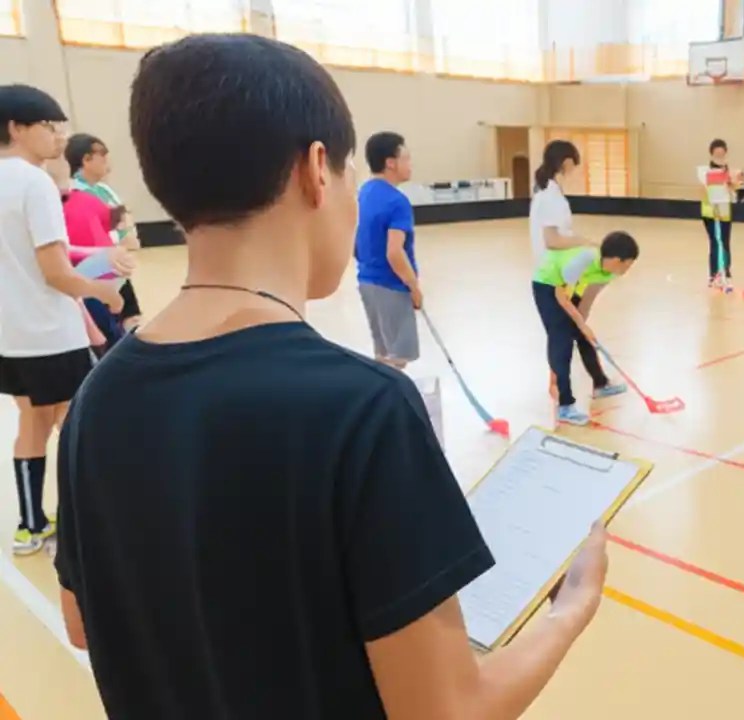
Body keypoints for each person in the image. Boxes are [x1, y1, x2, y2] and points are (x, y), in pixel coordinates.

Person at [54, 34, 607, 719]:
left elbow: (83, 623)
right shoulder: (364, 409)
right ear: (317, 168)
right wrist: (572, 609)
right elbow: (447, 713)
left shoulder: (98, 397)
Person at [0, 85, 123, 556]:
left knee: (31, 422)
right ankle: (82, 524)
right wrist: (102, 290)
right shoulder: (36, 185)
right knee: (76, 428)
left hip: (12, 336)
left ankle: (31, 525)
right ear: (15, 128)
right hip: (52, 334)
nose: (57, 137)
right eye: (48, 127)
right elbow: (55, 272)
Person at [532, 232, 636, 426]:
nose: (627, 270)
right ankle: (564, 405)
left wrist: (583, 325)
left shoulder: (610, 272)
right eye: (627, 265)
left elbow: (586, 300)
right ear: (615, 259)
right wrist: (579, 324)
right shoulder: (583, 261)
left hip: (568, 287)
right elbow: (560, 296)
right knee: (561, 340)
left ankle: (600, 384)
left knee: (580, 335)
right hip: (547, 283)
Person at [66, 132, 144, 330]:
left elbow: (123, 219)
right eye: (102, 154)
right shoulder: (74, 192)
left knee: (130, 316)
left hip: (115, 261)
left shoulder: (104, 189)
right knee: (108, 317)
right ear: (86, 159)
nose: (107, 160)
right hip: (93, 264)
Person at [355, 131, 420, 369]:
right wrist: (413, 287)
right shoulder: (397, 201)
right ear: (390, 163)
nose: (410, 164)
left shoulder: (364, 193)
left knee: (383, 355)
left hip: (367, 283)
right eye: (406, 158)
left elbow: (357, 242)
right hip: (391, 286)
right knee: (397, 360)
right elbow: (394, 252)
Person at [529, 139, 595, 267]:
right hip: (552, 272)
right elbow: (552, 241)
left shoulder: (548, 192)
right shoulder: (550, 196)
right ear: (567, 162)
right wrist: (584, 242)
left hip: (553, 268)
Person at [700, 138, 734, 290]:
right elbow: (703, 191)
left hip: (725, 211)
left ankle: (726, 272)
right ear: (711, 154)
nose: (719, 157)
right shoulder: (704, 171)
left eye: (722, 154)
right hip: (710, 212)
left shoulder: (729, 172)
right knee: (715, 242)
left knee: (725, 242)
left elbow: (733, 190)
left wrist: (734, 183)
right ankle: (714, 274)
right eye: (716, 154)